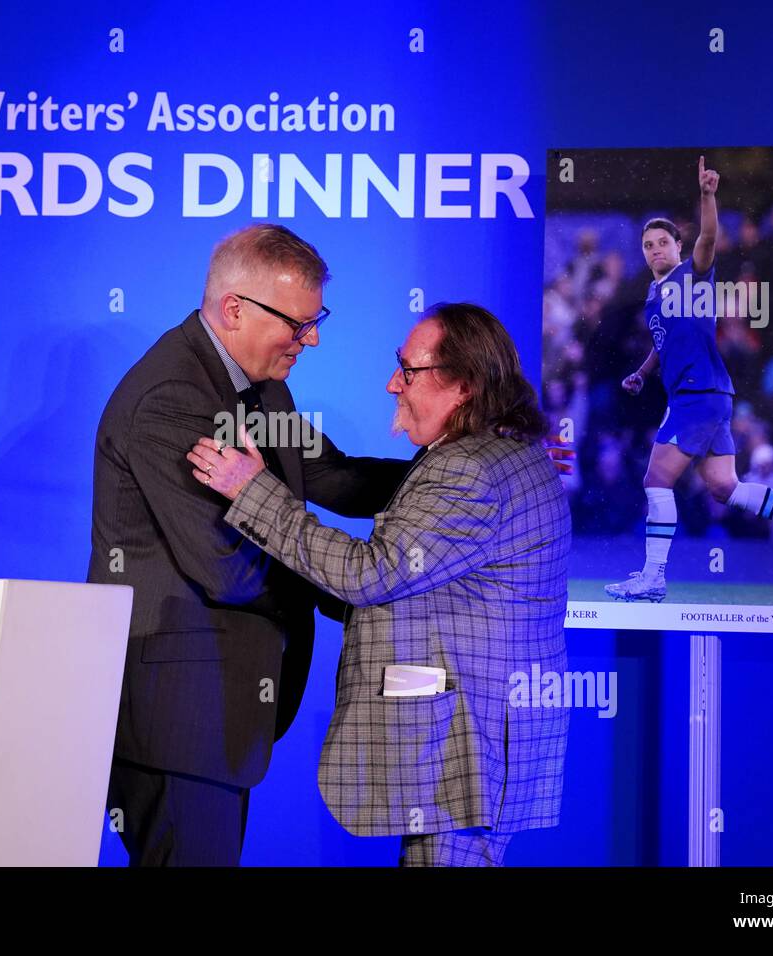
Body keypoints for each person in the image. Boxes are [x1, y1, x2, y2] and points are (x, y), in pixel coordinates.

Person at [189, 303, 571, 867]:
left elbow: (369, 576)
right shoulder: (497, 455)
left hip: (465, 746)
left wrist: (251, 492)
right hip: (484, 741)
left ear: (462, 385)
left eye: (408, 370)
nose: (393, 382)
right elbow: (413, 583)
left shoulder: (467, 470)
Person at [87, 224, 412, 866]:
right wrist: (353, 580)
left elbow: (327, 475)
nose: (311, 338)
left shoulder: (260, 383)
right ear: (234, 309)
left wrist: (457, 467)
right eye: (299, 323)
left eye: (317, 320)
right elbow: (227, 569)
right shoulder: (172, 399)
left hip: (214, 709)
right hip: (176, 713)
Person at [606, 157, 773, 603]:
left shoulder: (691, 274)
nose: (655, 250)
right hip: (712, 398)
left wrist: (708, 196)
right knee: (724, 487)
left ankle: (653, 576)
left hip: (696, 396)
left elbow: (709, 237)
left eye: (663, 242)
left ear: (679, 247)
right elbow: (666, 343)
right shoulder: (655, 295)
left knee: (656, 481)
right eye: (648, 245)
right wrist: (641, 372)